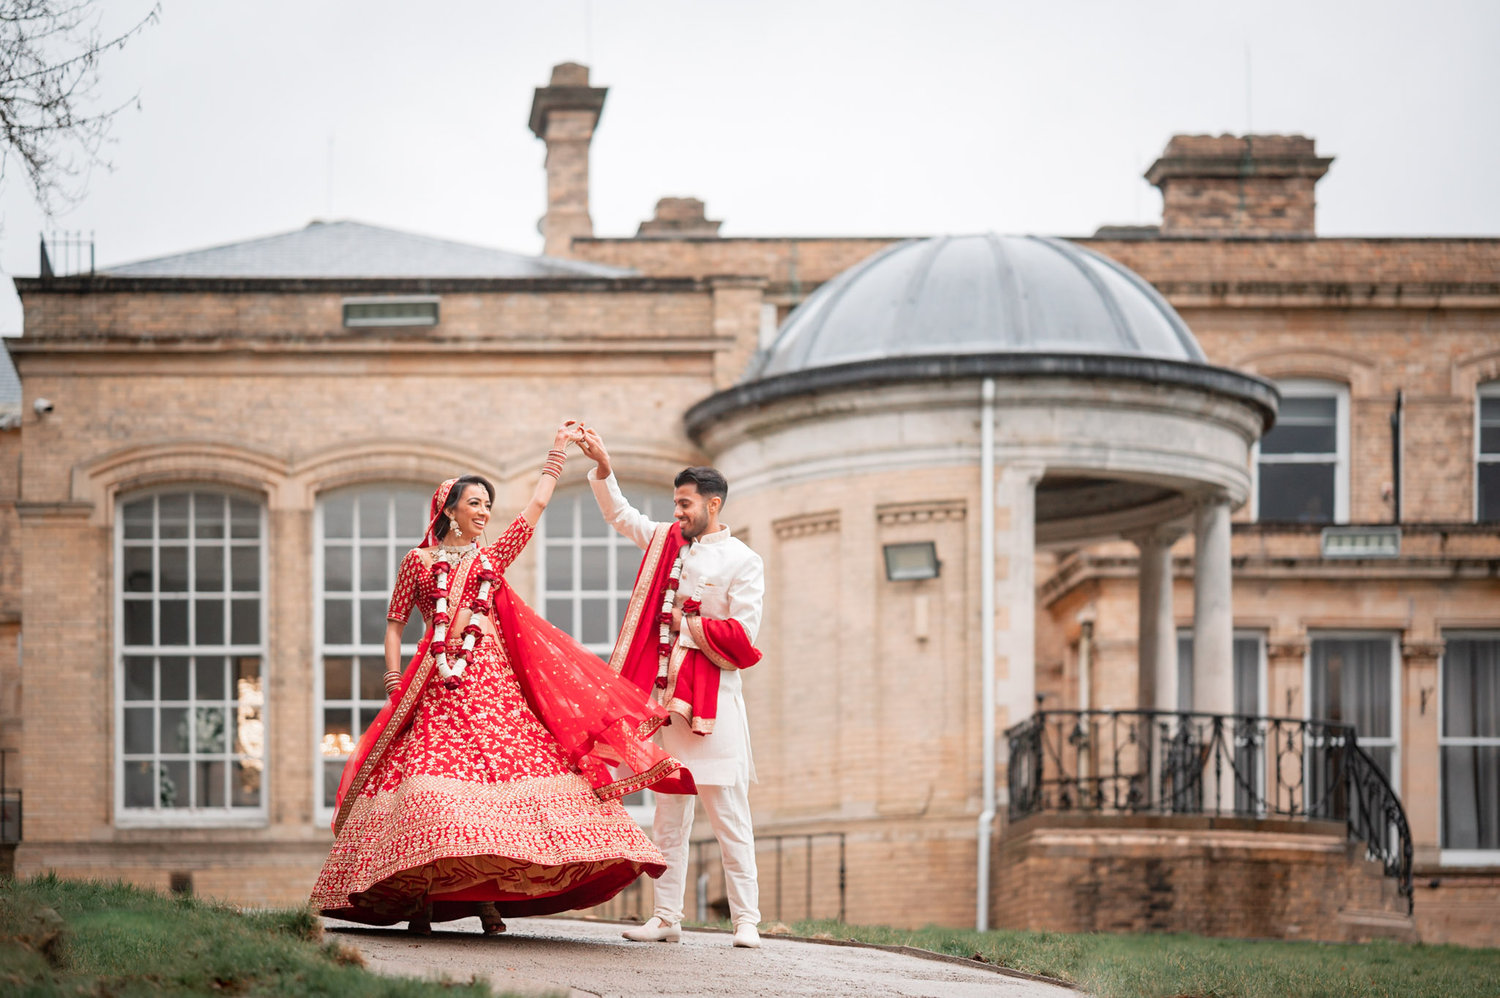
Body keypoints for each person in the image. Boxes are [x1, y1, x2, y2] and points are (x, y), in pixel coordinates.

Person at [311, 421, 693, 935]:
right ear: (449, 510)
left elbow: (534, 510)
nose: (485, 513)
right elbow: (395, 623)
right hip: (434, 682)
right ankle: (422, 898)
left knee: (508, 785)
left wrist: (557, 455)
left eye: (488, 506)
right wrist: (393, 678)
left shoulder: (490, 558)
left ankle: (488, 901)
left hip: (492, 684)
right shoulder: (418, 562)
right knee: (429, 788)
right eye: (475, 504)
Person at [578, 426, 766, 949]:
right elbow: (622, 516)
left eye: (685, 504)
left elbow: (746, 641)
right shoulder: (666, 542)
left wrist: (690, 624)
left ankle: (746, 920)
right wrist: (603, 467)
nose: (677, 512)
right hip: (664, 707)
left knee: (728, 815)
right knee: (668, 816)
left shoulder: (743, 561)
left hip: (713, 711)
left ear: (714, 503)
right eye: (674, 503)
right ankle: (666, 917)